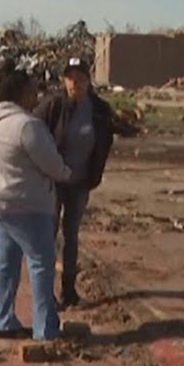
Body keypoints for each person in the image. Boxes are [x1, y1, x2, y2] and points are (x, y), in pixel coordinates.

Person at [0, 61, 73, 341]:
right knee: (41, 262)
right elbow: (51, 164)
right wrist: (67, 173)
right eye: (32, 91)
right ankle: (46, 329)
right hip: (25, 202)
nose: (36, 96)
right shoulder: (27, 126)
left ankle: (2, 319)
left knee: (5, 262)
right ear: (20, 94)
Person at [33, 58, 115, 310]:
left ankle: (69, 290)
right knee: (48, 233)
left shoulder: (99, 110)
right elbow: (34, 132)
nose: (74, 83)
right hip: (54, 182)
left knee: (71, 234)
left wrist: (95, 173)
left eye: (79, 77)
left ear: (88, 80)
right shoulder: (54, 105)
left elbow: (105, 141)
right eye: (69, 78)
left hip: (80, 182)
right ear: (63, 80)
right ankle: (46, 293)